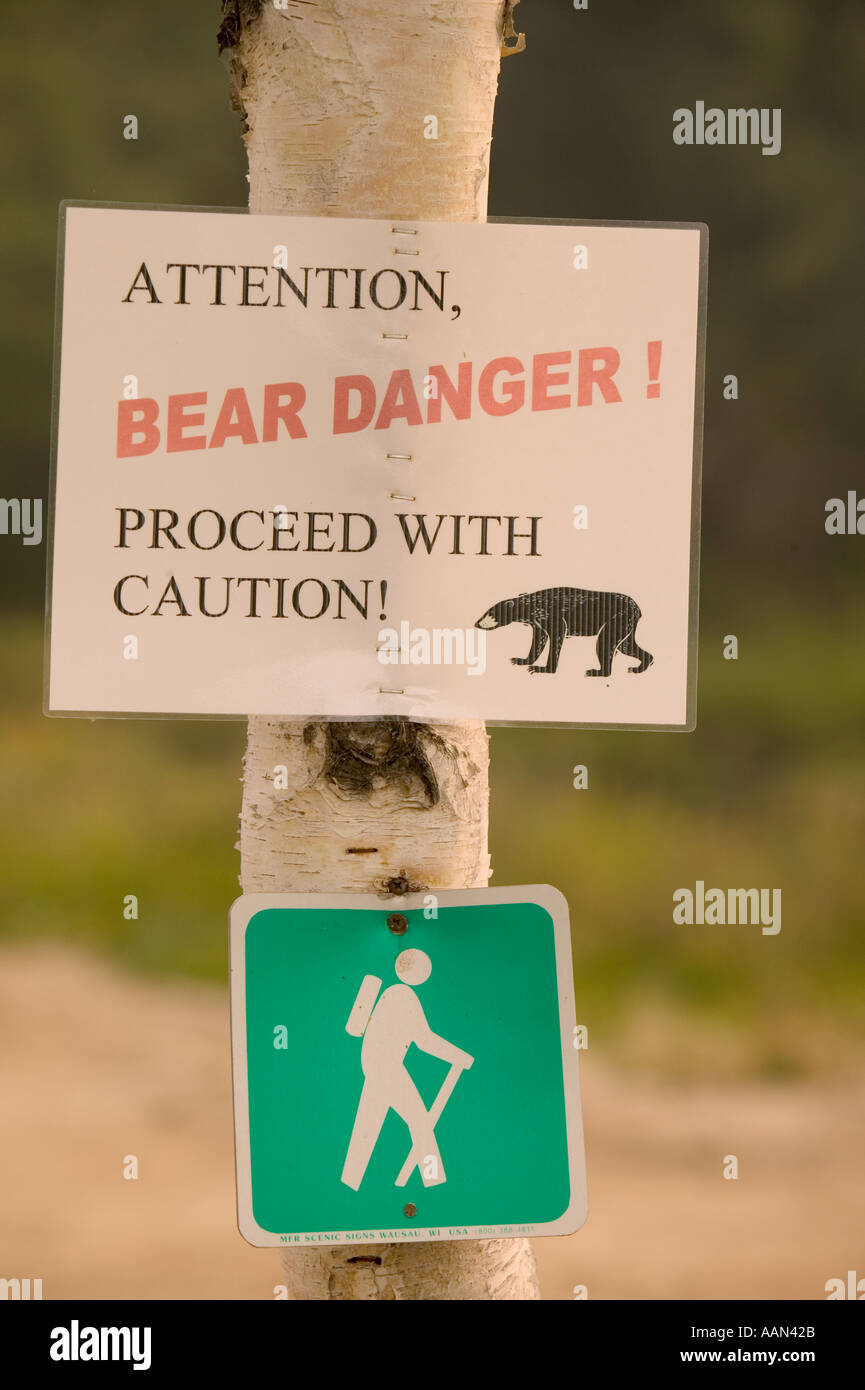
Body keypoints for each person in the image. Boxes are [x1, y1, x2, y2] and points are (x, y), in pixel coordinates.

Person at [341, 949, 473, 1191]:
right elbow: (424, 1040)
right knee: (420, 1121)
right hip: (386, 1067)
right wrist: (460, 1056)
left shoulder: (391, 993)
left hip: (373, 1065)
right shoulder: (404, 995)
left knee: (366, 1126)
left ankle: (349, 1184)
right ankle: (435, 1183)